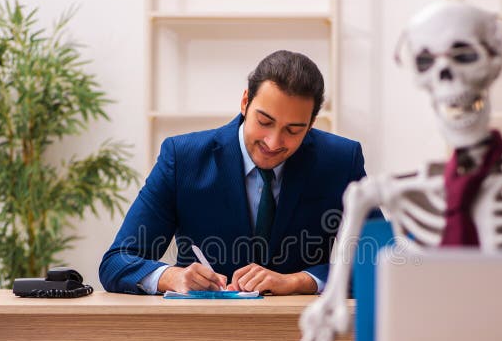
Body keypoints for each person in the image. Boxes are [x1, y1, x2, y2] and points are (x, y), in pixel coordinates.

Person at [99, 50, 371, 295]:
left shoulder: (340, 160)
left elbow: (377, 262)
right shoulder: (183, 158)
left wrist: (298, 281)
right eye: (264, 122)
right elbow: (117, 260)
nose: (273, 142)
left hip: (302, 329)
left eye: (293, 130)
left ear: (311, 124)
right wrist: (170, 276)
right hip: (201, 334)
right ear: (245, 103)